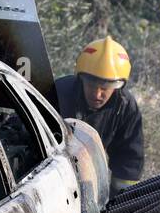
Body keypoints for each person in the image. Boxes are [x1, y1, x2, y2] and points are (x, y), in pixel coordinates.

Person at [53, 34, 145, 194]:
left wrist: (120, 203)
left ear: (117, 86)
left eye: (104, 88)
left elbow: (128, 161)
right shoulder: (58, 94)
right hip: (53, 178)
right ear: (81, 79)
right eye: (91, 85)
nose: (97, 94)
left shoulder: (124, 107)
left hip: (91, 181)